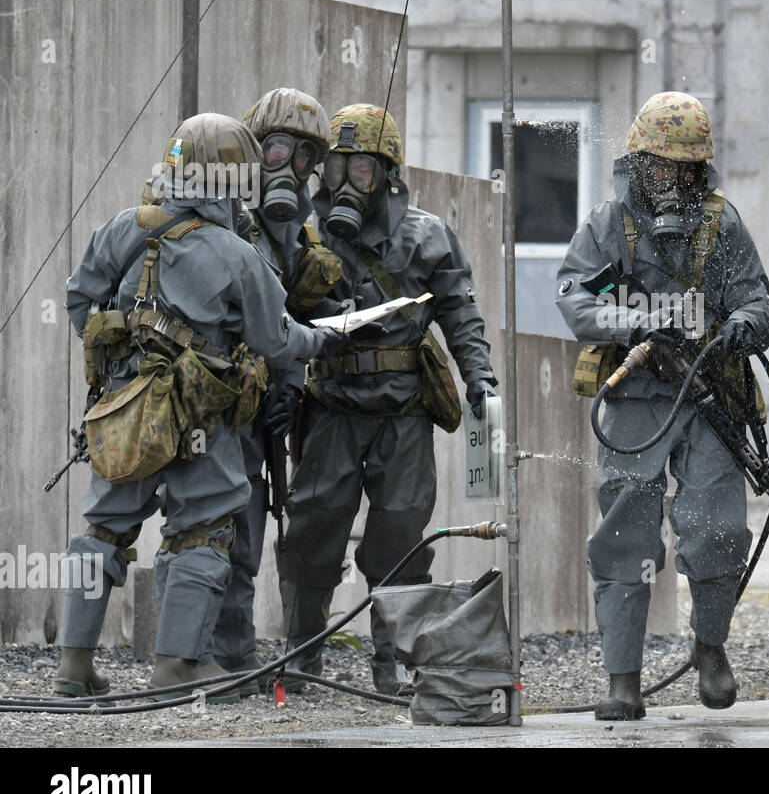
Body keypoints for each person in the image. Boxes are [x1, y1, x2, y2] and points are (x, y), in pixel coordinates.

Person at [55, 113, 346, 697]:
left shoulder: (121, 228)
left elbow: (80, 303)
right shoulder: (236, 253)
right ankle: (174, 668)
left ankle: (73, 668)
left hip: (125, 413)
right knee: (202, 532)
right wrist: (324, 337)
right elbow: (275, 340)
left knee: (102, 531)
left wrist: (124, 367)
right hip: (200, 420)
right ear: (234, 180)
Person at [555, 91, 769, 720]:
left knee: (718, 527)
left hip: (708, 397)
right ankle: (622, 680)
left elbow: (760, 304)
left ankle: (710, 648)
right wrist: (637, 326)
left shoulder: (722, 224)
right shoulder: (608, 226)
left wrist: (743, 326)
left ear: (698, 171)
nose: (671, 179)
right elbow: (577, 300)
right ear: (637, 165)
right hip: (635, 395)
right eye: (659, 166)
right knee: (624, 537)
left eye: (683, 169)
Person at [278, 104, 497, 694]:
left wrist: (479, 376)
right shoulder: (301, 231)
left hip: (404, 411)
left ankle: (392, 662)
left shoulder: (426, 235)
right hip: (331, 405)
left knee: (400, 535)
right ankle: (300, 660)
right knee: (312, 531)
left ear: (390, 173)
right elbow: (269, 313)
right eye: (337, 167)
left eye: (363, 170)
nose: (347, 181)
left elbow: (460, 312)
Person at [201, 88, 339, 691]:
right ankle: (205, 655)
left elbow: (288, 320)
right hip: (218, 400)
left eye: (305, 155)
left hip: (258, 406)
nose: (290, 165)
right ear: (255, 154)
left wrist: (291, 383)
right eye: (277, 148)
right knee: (216, 526)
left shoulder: (296, 242)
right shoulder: (228, 221)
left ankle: (235, 655)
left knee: (249, 531)